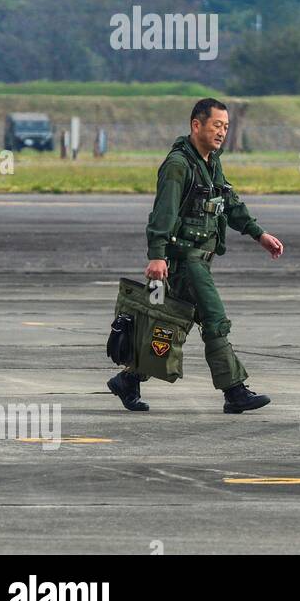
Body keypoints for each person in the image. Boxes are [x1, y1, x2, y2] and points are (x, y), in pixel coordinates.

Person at [107, 98, 283, 414]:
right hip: (185, 261)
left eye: (226, 127)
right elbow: (163, 212)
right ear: (196, 125)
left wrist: (259, 234)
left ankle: (129, 380)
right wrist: (157, 255)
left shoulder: (210, 162)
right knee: (215, 320)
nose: (222, 132)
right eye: (217, 125)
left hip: (198, 260)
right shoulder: (178, 165)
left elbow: (228, 202)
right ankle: (234, 391)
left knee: (170, 326)